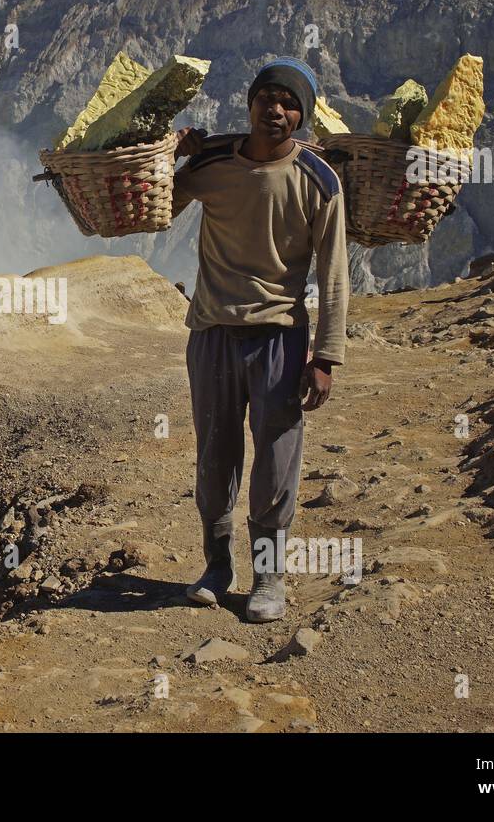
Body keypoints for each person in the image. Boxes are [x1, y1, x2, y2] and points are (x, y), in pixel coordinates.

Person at [169, 57, 349, 622]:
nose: (277, 110)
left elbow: (334, 273)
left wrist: (326, 357)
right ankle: (217, 565)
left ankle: (269, 577)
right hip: (213, 334)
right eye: (267, 98)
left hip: (279, 338)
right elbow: (157, 209)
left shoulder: (319, 181)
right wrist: (169, 157)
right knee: (215, 454)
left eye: (290, 102)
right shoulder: (213, 164)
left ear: (303, 115)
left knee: (276, 462)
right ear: (249, 104)